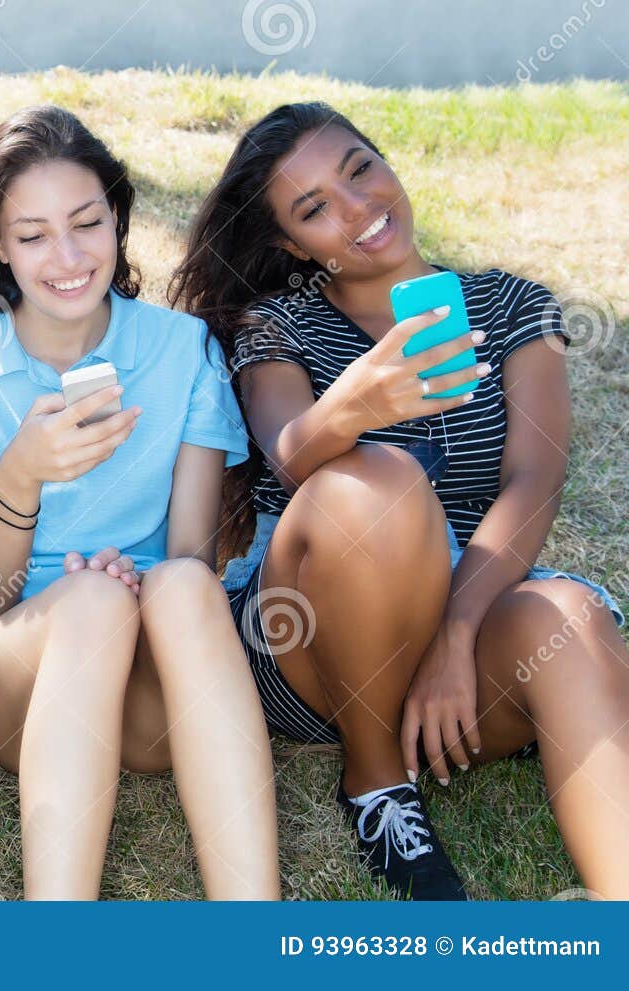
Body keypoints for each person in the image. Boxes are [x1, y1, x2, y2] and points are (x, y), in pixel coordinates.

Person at [170, 101, 629, 900]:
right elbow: (287, 455)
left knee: (568, 616)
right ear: (288, 244)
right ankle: (377, 783)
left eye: (360, 170)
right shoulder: (278, 325)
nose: (358, 208)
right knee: (377, 480)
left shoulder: (513, 308)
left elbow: (535, 479)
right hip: (313, 641)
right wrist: (354, 407)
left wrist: (457, 630)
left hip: (465, 645)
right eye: (313, 209)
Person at [0, 105, 280, 900]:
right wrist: (20, 476)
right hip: (1, 670)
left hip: (149, 682)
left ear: (117, 219)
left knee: (179, 585)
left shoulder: (183, 351)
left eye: (87, 223)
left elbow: (189, 559)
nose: (68, 256)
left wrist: (137, 586)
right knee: (87, 604)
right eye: (34, 234)